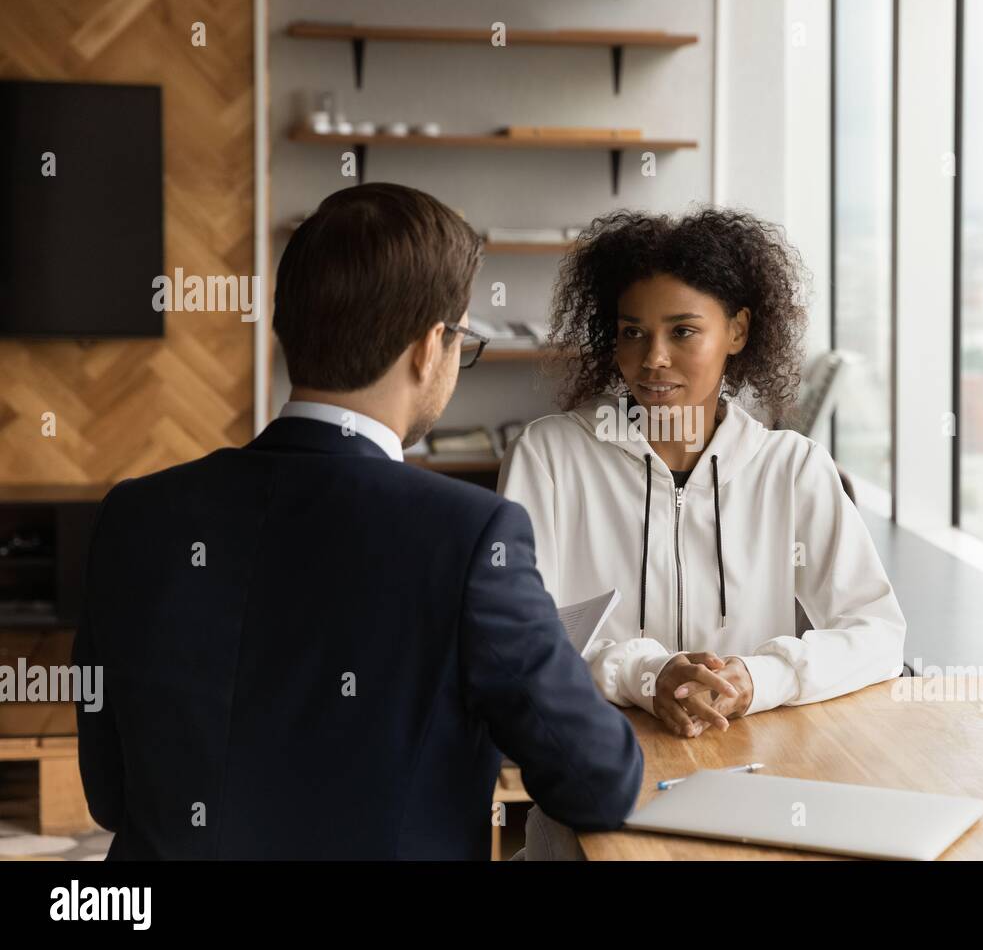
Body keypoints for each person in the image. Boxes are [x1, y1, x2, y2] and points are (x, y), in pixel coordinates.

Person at [72, 183, 643, 859]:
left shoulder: (135, 515)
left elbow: (110, 794)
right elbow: (599, 781)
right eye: (462, 335)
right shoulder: (469, 536)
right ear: (430, 347)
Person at [499, 207, 905, 858]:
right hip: (595, 803)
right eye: (633, 332)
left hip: (756, 801)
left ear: (737, 331)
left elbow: (877, 634)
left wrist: (757, 677)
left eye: (683, 331)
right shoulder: (549, 457)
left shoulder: (792, 467)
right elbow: (520, 643)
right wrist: (646, 672)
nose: (652, 360)